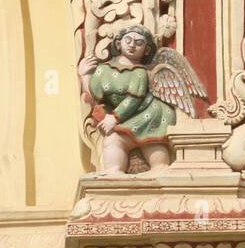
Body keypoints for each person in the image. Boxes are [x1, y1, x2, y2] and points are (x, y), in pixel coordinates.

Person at [78, 24, 204, 174]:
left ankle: (159, 168)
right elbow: (94, 95)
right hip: (123, 115)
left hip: (149, 112)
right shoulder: (103, 69)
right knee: (113, 140)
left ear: (147, 49)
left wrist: (114, 118)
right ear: (119, 43)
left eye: (139, 43)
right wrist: (84, 74)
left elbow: (134, 99)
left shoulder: (140, 72)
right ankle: (113, 172)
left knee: (150, 141)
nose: (132, 45)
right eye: (128, 40)